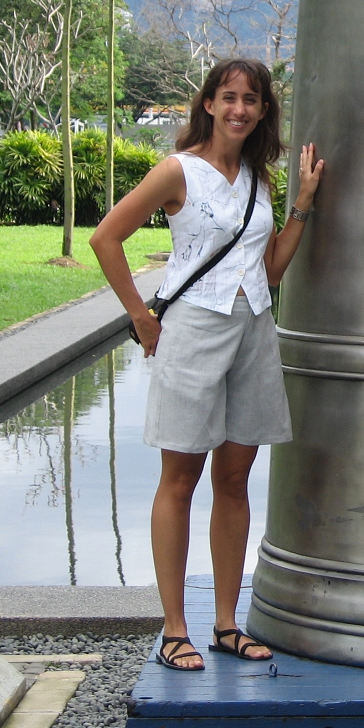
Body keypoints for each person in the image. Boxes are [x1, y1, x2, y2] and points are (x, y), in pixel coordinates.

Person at [90, 57, 323, 671]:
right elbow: (105, 237)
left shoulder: (257, 178)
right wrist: (140, 316)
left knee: (235, 480)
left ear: (264, 110)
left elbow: (271, 271)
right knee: (180, 480)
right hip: (193, 330)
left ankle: (225, 624)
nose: (240, 109)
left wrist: (301, 204)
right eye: (229, 97)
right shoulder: (178, 171)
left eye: (251, 99)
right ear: (210, 104)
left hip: (254, 330)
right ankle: (174, 630)